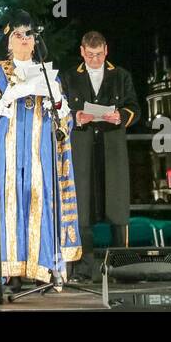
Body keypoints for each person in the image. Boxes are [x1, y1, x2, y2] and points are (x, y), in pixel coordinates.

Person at [0, 10, 81, 287]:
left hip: (39, 151)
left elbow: (65, 122)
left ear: (35, 41)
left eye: (28, 35)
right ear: (8, 42)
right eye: (17, 35)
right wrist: (6, 99)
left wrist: (57, 104)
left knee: (40, 200)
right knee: (7, 201)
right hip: (6, 150)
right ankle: (6, 270)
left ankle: (42, 267)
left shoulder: (48, 74)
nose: (23, 40)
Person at [65, 31, 140, 278]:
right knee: (83, 209)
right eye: (90, 55)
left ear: (106, 50)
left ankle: (123, 268)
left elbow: (135, 108)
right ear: (82, 52)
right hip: (82, 149)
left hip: (112, 149)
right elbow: (59, 108)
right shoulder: (69, 77)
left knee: (117, 208)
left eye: (99, 54)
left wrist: (121, 116)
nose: (95, 59)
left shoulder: (121, 76)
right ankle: (84, 269)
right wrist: (75, 116)